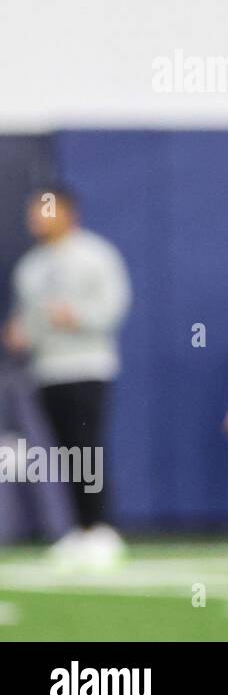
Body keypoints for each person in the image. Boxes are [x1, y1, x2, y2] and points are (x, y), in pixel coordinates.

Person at [4, 184, 131, 569]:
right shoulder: (31, 266)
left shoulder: (95, 255)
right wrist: (18, 331)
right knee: (63, 452)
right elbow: (24, 317)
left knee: (86, 446)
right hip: (47, 370)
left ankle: (101, 528)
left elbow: (113, 306)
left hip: (86, 365)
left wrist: (77, 315)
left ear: (66, 212)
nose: (36, 219)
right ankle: (80, 528)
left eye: (44, 210)